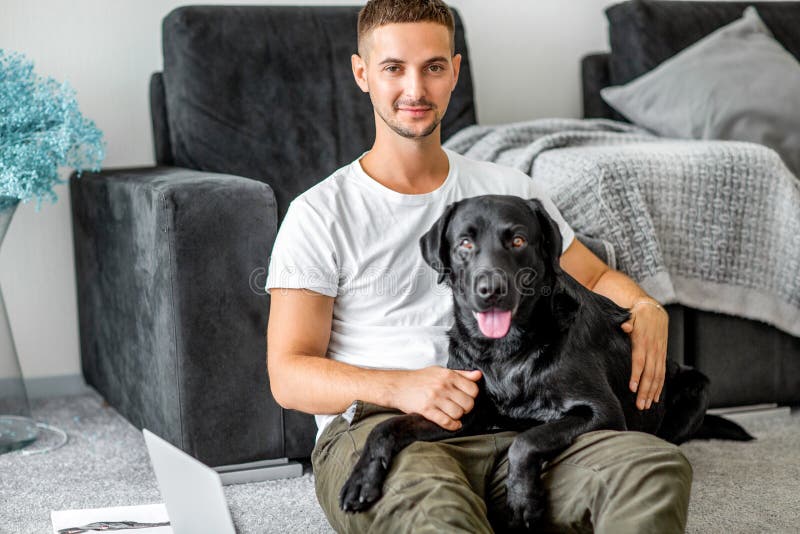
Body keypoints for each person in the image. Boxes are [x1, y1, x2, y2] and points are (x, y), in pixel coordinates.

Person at [265, 0, 690, 532]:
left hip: (522, 421)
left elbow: (596, 278)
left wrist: (646, 305)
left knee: (652, 470)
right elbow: (288, 373)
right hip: (393, 429)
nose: (415, 89)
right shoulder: (320, 213)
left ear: (455, 72)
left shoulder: (510, 190)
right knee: (437, 519)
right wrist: (401, 387)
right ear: (362, 73)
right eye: (394, 68)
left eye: (433, 67)